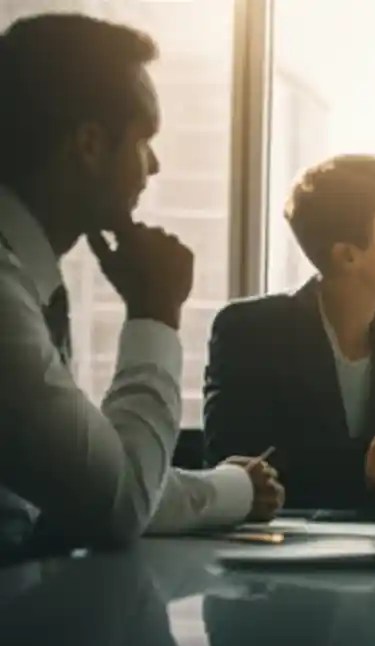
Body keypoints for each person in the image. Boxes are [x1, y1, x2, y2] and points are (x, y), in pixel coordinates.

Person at [0, 13, 282, 554]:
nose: (153, 167)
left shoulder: (28, 281)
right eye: (144, 140)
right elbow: (116, 504)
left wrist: (234, 489)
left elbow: (89, 475)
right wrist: (154, 313)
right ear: (89, 144)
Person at [204, 154, 375, 512]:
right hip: (280, 552)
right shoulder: (249, 331)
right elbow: (235, 468)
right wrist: (371, 461)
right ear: (348, 256)